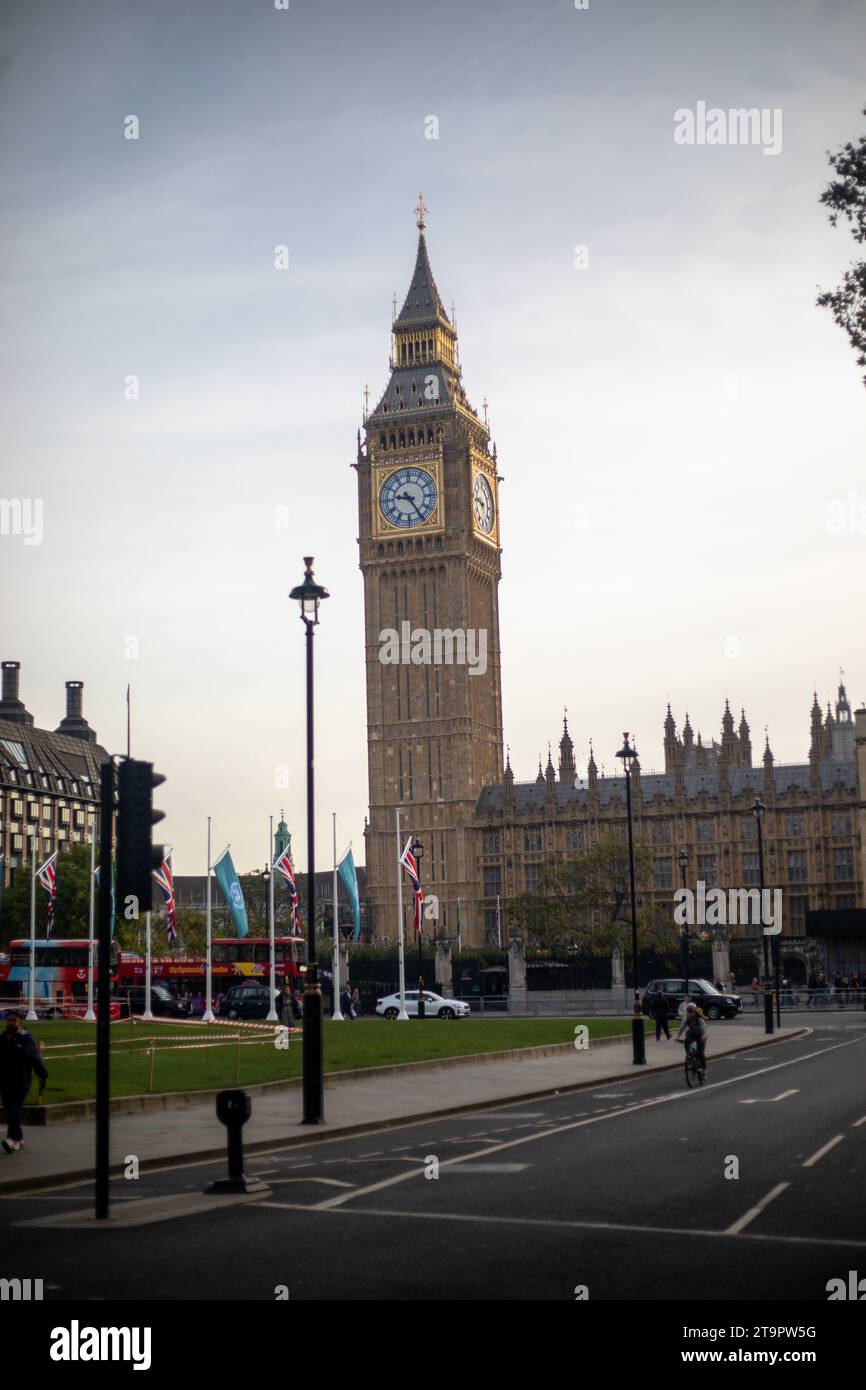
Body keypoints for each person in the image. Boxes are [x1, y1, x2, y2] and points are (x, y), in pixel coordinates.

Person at [0, 1010, 48, 1154]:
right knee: (10, 1109)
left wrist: (43, 1074)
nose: (10, 1023)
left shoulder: (25, 1038)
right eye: (8, 1020)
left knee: (14, 1106)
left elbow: (34, 1058)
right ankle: (18, 1138)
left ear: (20, 1022)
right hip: (5, 1080)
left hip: (22, 1079)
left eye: (13, 1020)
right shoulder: (2, 1038)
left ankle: (11, 1138)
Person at [676, 1002, 707, 1075]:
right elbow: (682, 1028)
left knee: (700, 1053)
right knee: (687, 1041)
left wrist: (703, 1036)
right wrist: (678, 1036)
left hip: (700, 1035)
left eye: (691, 1012)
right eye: (688, 1012)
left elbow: (703, 1029)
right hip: (692, 1034)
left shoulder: (699, 1019)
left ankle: (703, 1069)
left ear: (695, 1012)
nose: (689, 1014)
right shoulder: (687, 1020)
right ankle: (689, 1057)